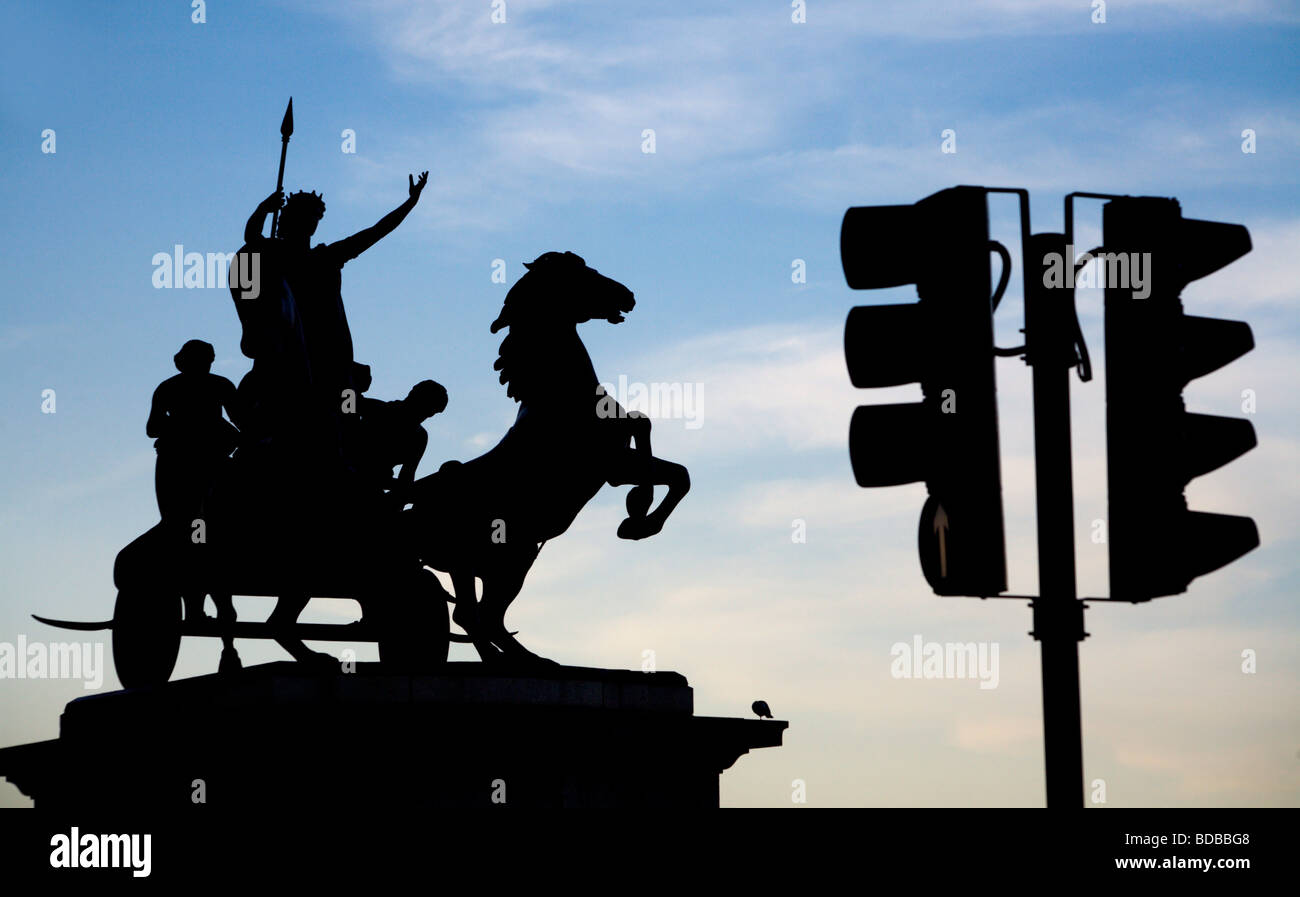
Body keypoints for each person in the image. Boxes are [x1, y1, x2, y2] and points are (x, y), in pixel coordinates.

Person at [235, 172, 429, 474]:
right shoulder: (275, 253)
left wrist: (410, 202)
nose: (305, 223)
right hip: (290, 349)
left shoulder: (327, 256)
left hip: (331, 354)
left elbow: (376, 232)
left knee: (343, 421)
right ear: (287, 218)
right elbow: (249, 243)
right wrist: (264, 208)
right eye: (298, 215)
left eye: (311, 217)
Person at [146, 340, 242, 670]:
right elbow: (152, 427)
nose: (204, 364)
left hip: (204, 466)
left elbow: (244, 423)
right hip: (180, 468)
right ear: (185, 362)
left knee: (193, 533)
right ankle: (197, 608)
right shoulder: (176, 388)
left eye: (206, 360)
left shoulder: (211, 386)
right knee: (181, 530)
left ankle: (202, 610)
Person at [356, 379, 448, 504]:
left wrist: (400, 500)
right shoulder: (377, 409)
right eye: (428, 408)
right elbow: (345, 402)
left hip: (374, 488)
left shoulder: (419, 437)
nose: (428, 415)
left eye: (432, 411)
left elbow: (407, 477)